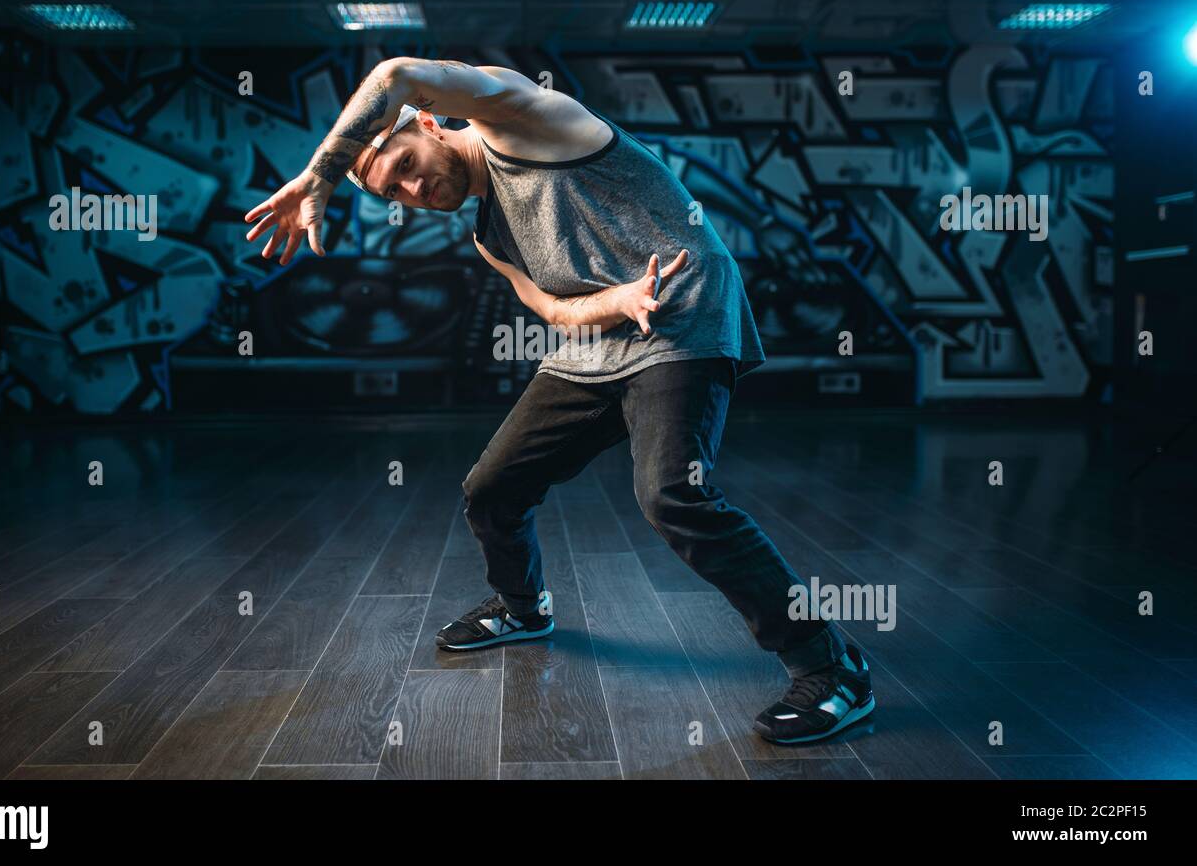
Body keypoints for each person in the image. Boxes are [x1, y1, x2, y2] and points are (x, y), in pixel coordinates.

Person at [244, 57, 874, 743]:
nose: (413, 188)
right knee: (490, 488)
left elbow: (395, 70)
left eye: (404, 161)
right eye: (394, 189)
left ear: (428, 122)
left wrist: (321, 174)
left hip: (682, 315)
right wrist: (617, 299)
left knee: (672, 494)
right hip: (604, 334)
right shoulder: (489, 232)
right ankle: (523, 607)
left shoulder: (520, 120)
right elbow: (549, 304)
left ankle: (831, 664)